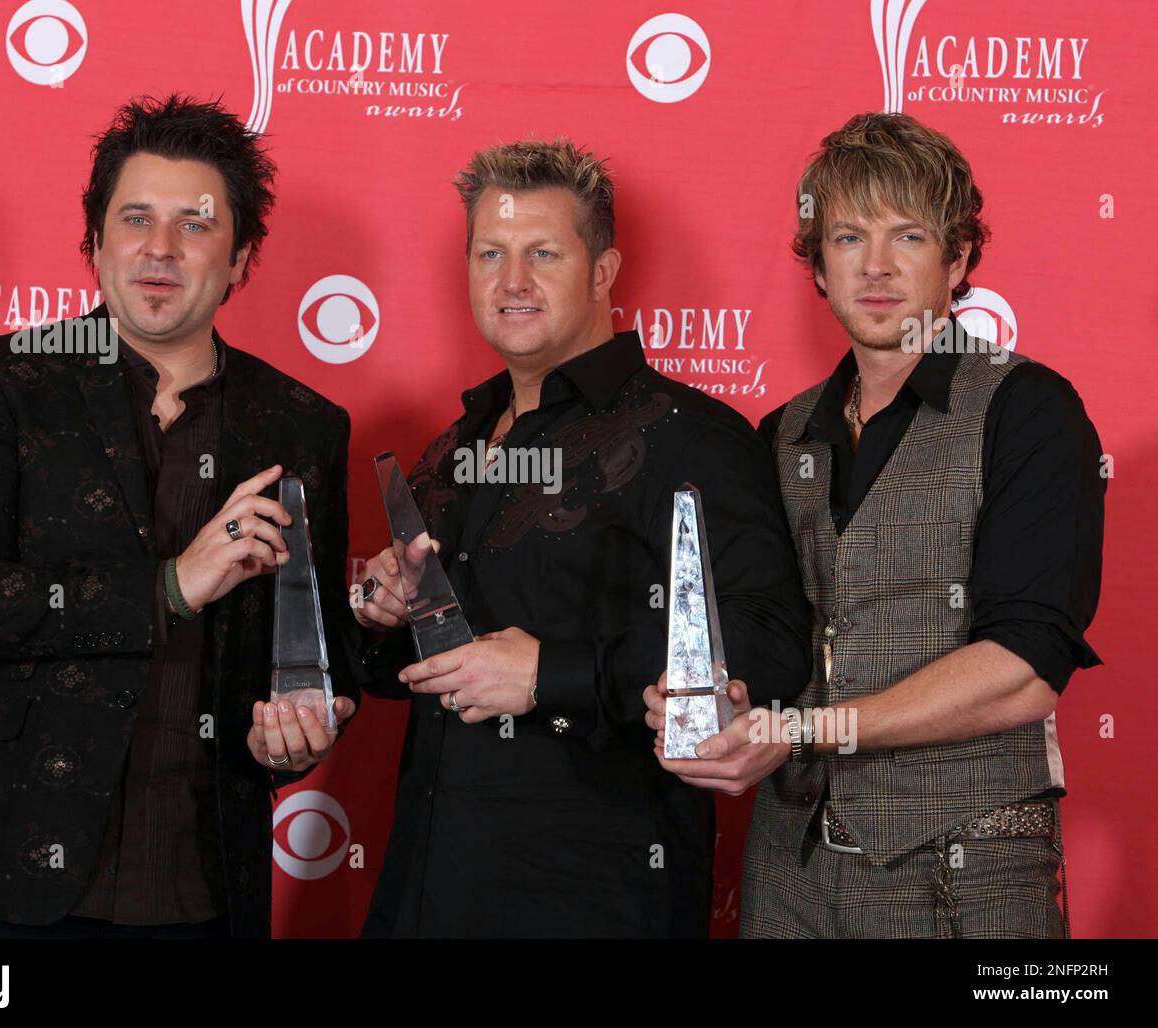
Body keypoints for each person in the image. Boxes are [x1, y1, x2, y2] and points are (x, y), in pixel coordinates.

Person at [0, 94, 355, 939]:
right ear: (95, 242)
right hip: (9, 879)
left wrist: (296, 736)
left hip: (204, 884)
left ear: (242, 258)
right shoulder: (9, 380)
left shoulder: (304, 425)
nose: (160, 247)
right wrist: (173, 585)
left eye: (196, 223)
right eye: (136, 218)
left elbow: (315, 656)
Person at [645, 111, 1105, 938]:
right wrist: (711, 699)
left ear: (959, 257)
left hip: (970, 874)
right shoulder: (780, 434)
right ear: (818, 266)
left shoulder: (1029, 409)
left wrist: (805, 730)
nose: (878, 267)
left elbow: (1026, 666)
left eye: (911, 237)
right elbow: (764, 632)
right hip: (791, 872)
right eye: (850, 238)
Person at [352, 138, 810, 937]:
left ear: (603, 272)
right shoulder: (454, 445)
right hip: (427, 889)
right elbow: (410, 670)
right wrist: (379, 610)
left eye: (543, 253)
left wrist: (550, 674)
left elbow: (766, 641)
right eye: (490, 252)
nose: (512, 280)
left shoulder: (688, 434)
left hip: (592, 896)